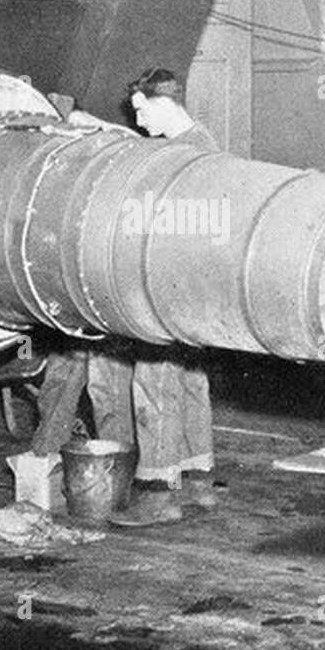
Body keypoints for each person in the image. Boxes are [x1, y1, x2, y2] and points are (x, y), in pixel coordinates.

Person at [103, 68, 218, 527]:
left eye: (141, 110)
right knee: (191, 381)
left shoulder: (180, 153)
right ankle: (198, 483)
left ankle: (157, 492)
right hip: (195, 291)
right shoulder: (202, 143)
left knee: (152, 381)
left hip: (164, 289)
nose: (139, 121)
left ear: (164, 103)